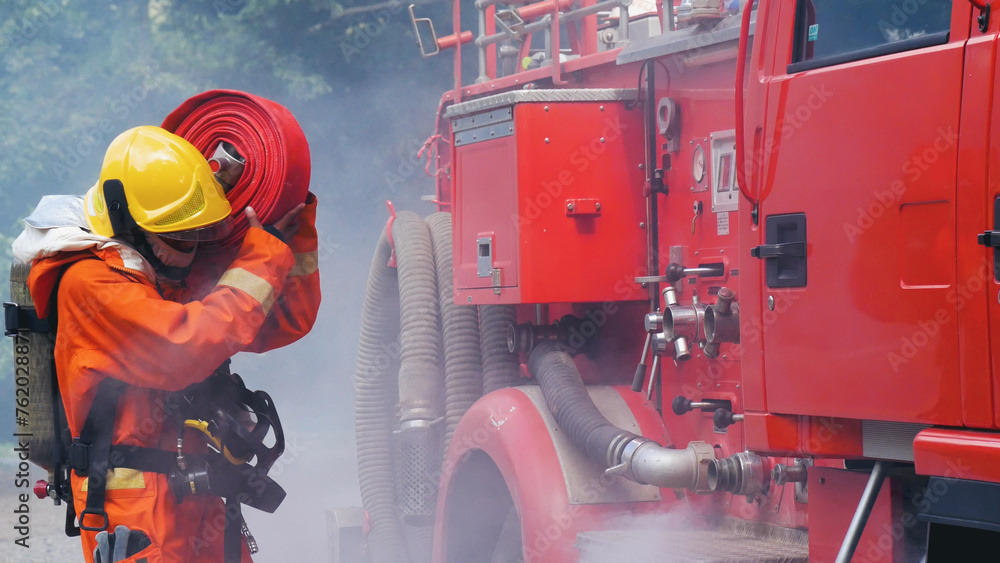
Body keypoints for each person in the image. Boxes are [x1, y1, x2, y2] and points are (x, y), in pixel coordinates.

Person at [12, 125, 317, 562]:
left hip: (195, 490)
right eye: (180, 237)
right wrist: (262, 257)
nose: (192, 251)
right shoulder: (90, 283)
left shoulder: (154, 271)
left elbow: (283, 320)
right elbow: (188, 348)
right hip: (136, 514)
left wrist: (290, 225)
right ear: (128, 227)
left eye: (200, 235)